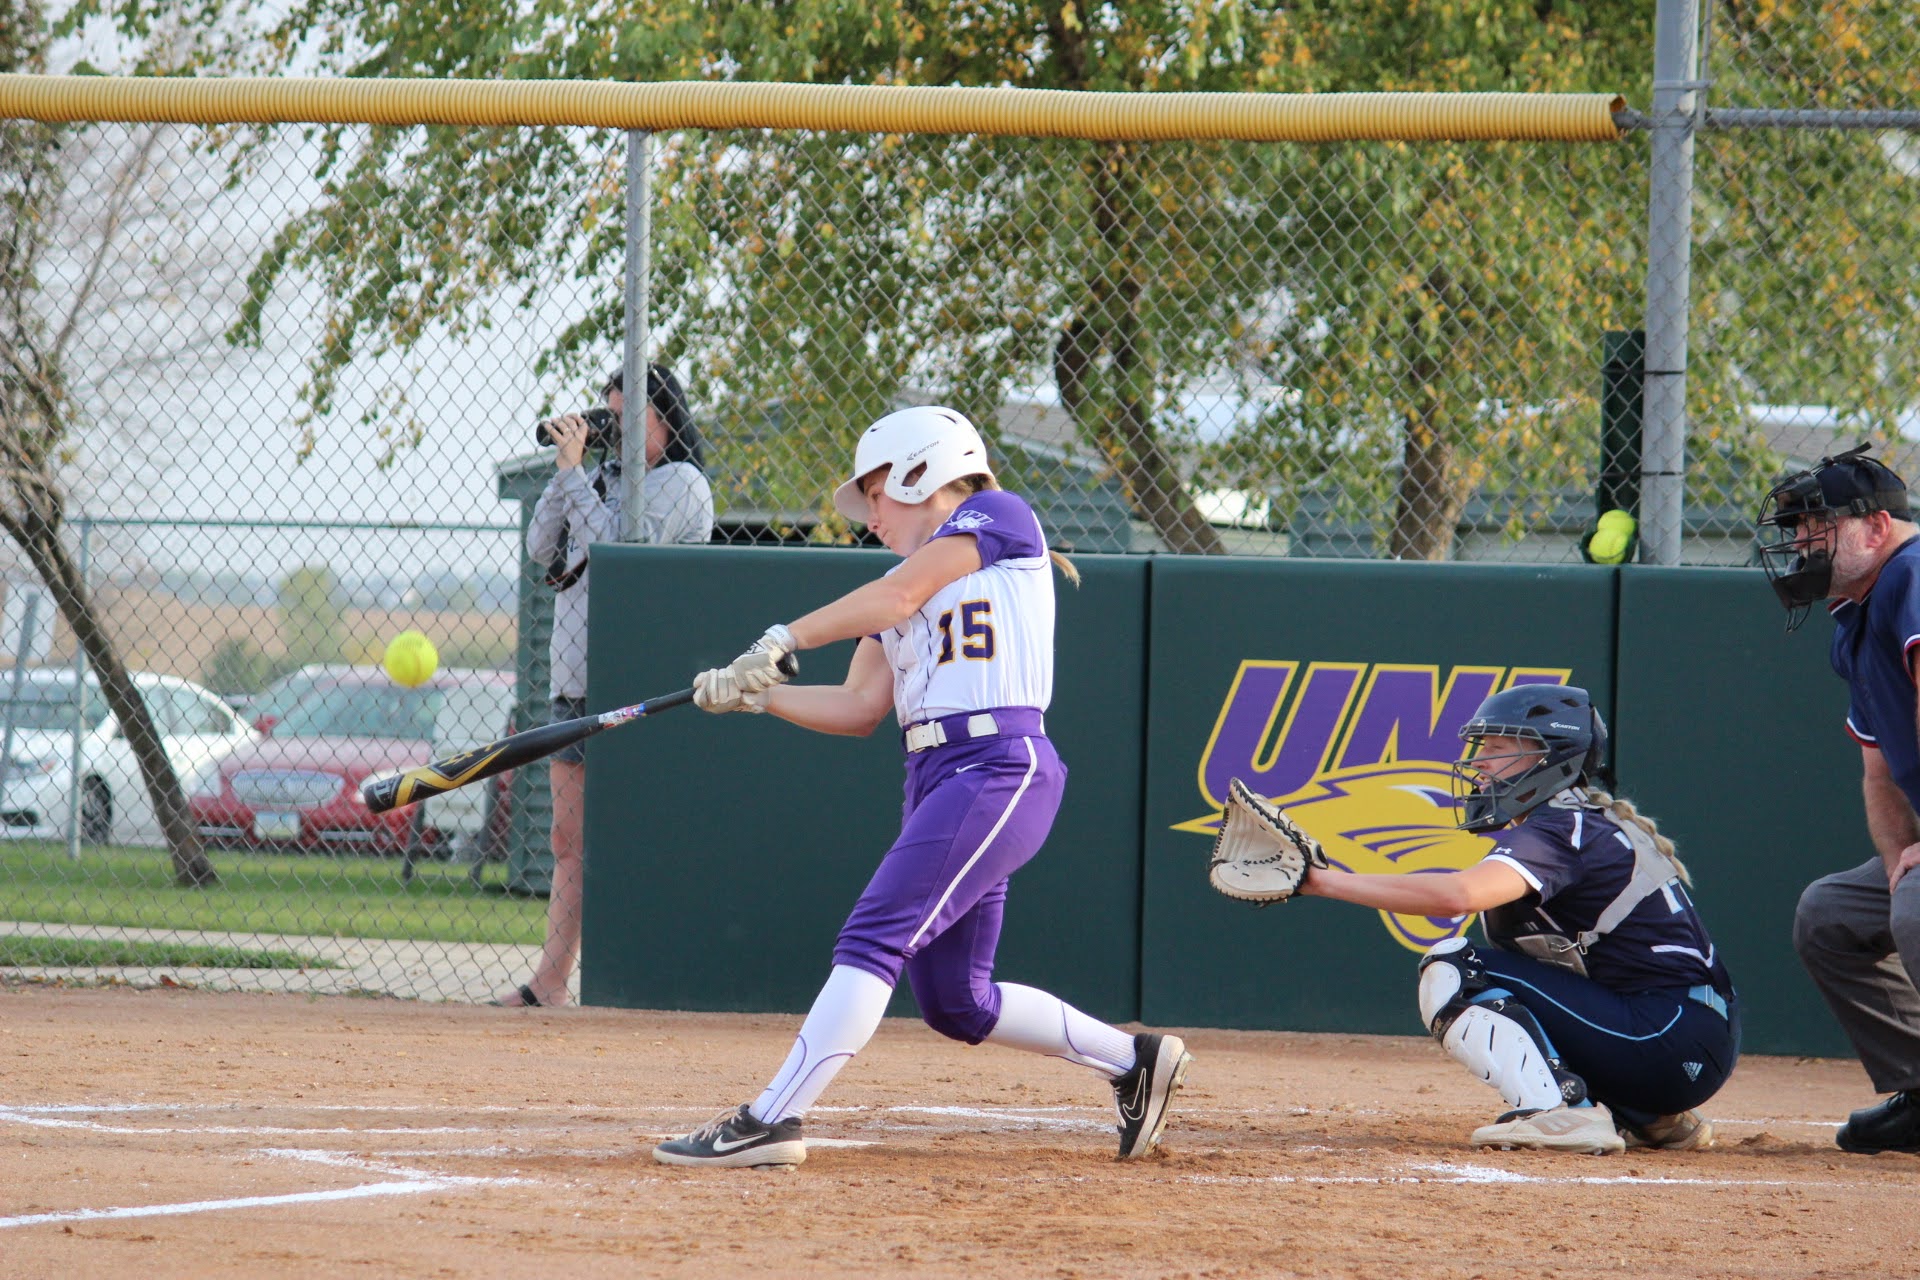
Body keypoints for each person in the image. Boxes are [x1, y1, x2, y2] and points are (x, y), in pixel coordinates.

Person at [651, 405, 1191, 1168]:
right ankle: (1134, 1063)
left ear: (920, 470)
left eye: (875, 493)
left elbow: (903, 596)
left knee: (871, 937)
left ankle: (772, 1118)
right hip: (937, 778)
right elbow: (859, 707)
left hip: (999, 766)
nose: (868, 514)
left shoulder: (996, 517)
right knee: (955, 1000)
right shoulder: (894, 586)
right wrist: (758, 696)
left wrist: (782, 639)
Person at [1286, 683, 1738, 1154]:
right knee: (1521, 985)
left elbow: (1457, 896)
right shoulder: (1575, 820)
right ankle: (1649, 1114)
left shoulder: (1562, 827)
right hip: (1681, 1040)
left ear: (1550, 757)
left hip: (1665, 1036)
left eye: (1497, 748)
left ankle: (1562, 1114)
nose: (1480, 763)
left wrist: (1319, 881)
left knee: (1457, 969)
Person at [495, 364, 714, 1007]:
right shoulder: (597, 477)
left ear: (665, 419)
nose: (611, 428)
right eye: (608, 413)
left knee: (641, 842)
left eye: (626, 417)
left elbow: (623, 552)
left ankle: (657, 983)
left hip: (636, 681)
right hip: (575, 680)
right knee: (569, 842)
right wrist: (569, 475)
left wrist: (573, 482)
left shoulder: (682, 485)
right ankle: (551, 984)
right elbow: (542, 547)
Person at [1757, 444, 1920, 1153]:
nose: (1799, 545)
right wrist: (1894, 853)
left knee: (1917, 907)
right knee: (1831, 915)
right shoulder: (1857, 618)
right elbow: (1879, 770)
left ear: (1876, 528)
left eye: (1816, 528)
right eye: (1797, 531)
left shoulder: (1914, 573)